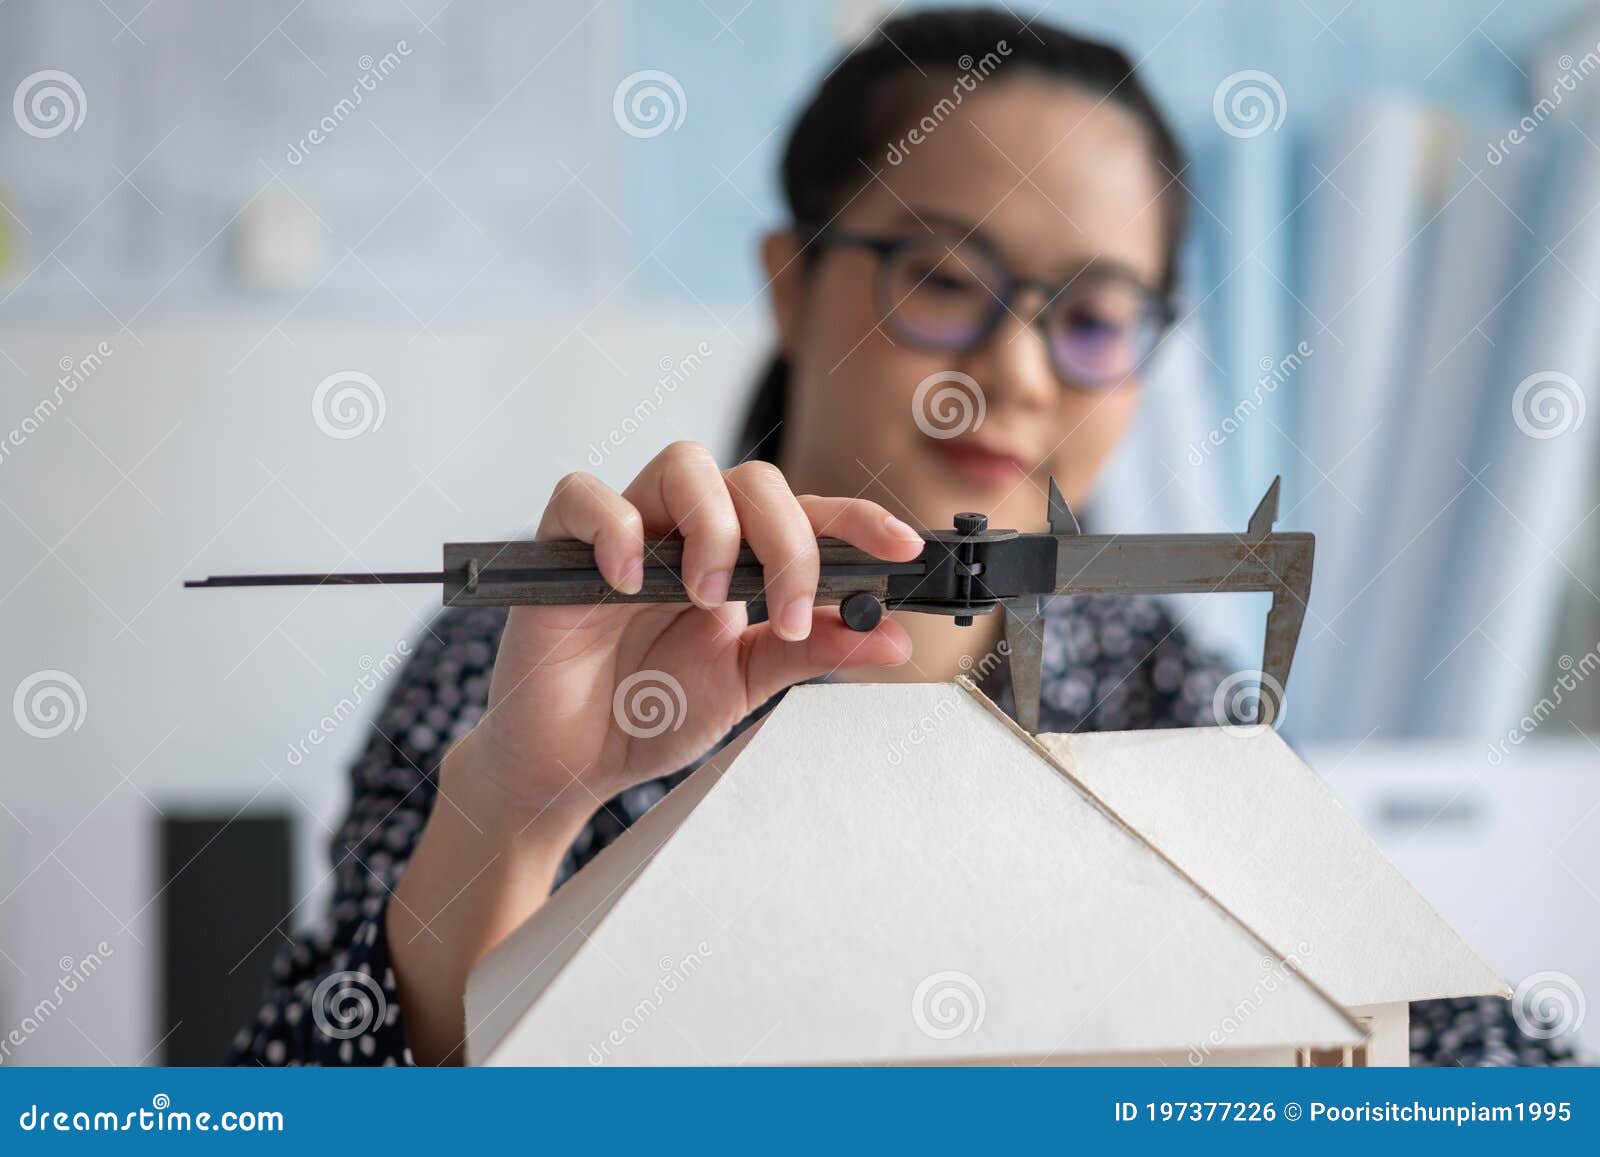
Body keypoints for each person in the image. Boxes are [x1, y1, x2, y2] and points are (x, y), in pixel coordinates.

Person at [230, 7, 1568, 1068]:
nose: (1022, 367)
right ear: (791, 279)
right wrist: (515, 807)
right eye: (942, 278)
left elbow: (1485, 1063)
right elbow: (307, 1093)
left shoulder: (1156, 691)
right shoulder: (545, 657)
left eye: (1096, 317)